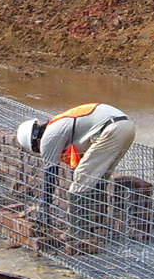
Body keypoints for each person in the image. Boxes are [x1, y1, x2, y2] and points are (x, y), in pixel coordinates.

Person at [15, 103, 136, 252]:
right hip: (126, 126)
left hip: (111, 130)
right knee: (97, 180)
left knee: (79, 185)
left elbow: (51, 175)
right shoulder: (59, 126)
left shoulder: (48, 138)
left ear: (36, 141)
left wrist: (44, 206)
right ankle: (97, 228)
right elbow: (77, 163)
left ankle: (77, 235)